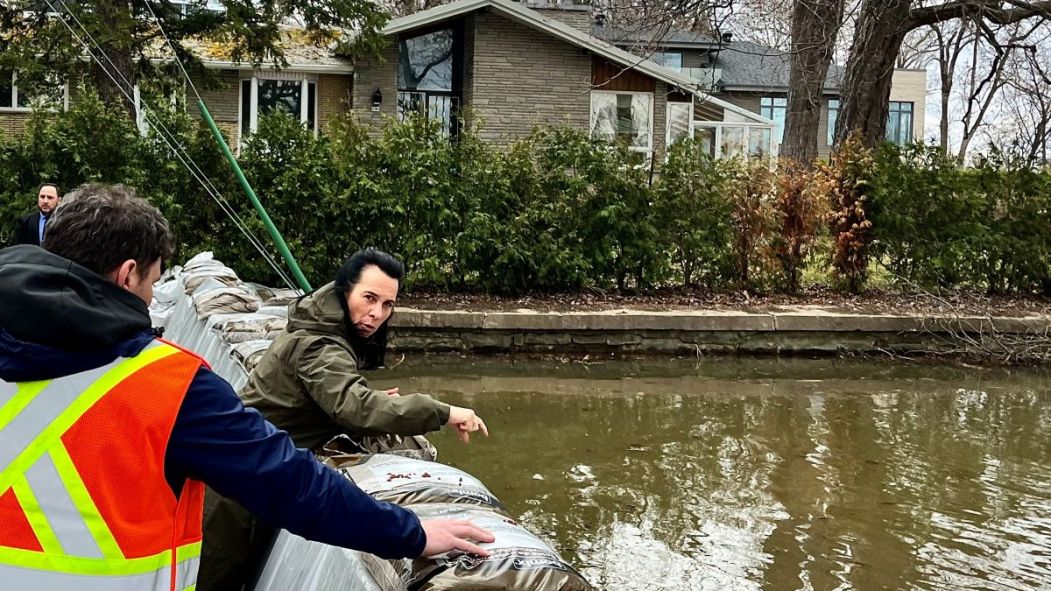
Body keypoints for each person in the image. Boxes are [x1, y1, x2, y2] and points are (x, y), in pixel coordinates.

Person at [0, 184, 493, 590]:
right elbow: (290, 481)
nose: (153, 298)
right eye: (153, 282)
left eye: (387, 304)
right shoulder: (166, 384)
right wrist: (410, 532)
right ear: (128, 275)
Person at [200, 248, 490, 590]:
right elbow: (356, 407)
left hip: (250, 473)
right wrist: (443, 411)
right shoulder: (320, 344)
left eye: (387, 305)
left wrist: (372, 401)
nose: (376, 314)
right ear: (344, 289)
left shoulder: (321, 329)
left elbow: (333, 400)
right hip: (238, 494)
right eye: (368, 298)